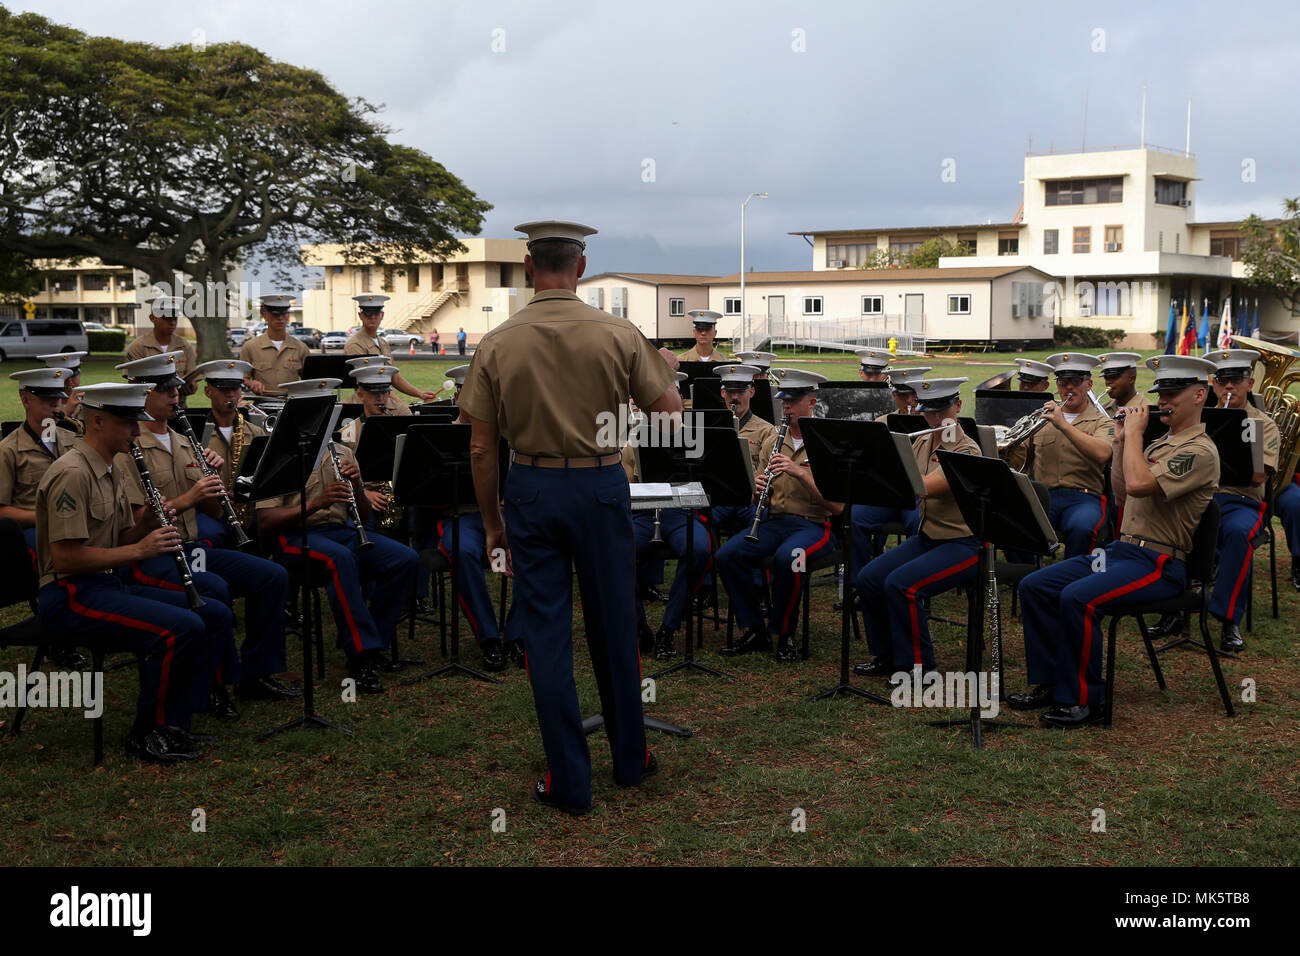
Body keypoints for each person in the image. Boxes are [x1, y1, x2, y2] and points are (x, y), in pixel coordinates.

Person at [459, 219, 680, 815]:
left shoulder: (497, 340)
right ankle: (631, 761)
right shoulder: (618, 331)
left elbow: (481, 449)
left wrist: (493, 523)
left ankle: (568, 781)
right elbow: (671, 416)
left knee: (547, 639)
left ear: (529, 267)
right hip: (602, 483)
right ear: (580, 268)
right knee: (614, 626)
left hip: (530, 488)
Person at [1009, 355, 1219, 728]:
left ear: (1200, 395)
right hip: (1123, 552)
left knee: (1078, 598)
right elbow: (1124, 495)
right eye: (1161, 394)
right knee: (1036, 585)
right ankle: (1049, 681)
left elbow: (1140, 484)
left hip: (1160, 562)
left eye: (1172, 394)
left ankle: (1085, 700)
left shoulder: (1198, 451)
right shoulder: (1160, 446)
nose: (1163, 402)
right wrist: (1122, 442)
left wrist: (1134, 436)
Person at [34, 382, 226, 764]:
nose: (137, 432)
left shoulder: (112, 467)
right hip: (70, 595)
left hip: (105, 583)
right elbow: (66, 559)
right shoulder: (72, 473)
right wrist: (139, 550)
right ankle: (148, 732)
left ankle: (177, 717)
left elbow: (120, 534)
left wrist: (147, 525)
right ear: (99, 420)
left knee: (214, 613)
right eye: (128, 424)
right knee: (180, 628)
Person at [116, 353, 298, 712]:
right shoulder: (127, 447)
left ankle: (257, 673)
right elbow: (137, 521)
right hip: (154, 554)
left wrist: (216, 489)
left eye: (176, 388)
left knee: (272, 576)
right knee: (215, 588)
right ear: (142, 394)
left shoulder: (185, 441)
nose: (176, 395)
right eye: (166, 389)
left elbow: (213, 511)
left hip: (192, 547)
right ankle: (216, 684)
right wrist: (189, 497)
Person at [255, 378, 419, 695]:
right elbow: (265, 520)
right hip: (296, 535)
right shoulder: (275, 452)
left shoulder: (341, 449)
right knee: (341, 559)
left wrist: (357, 487)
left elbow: (366, 517)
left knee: (405, 559)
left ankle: (375, 642)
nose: (324, 418)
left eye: (327, 411)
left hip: (341, 530)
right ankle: (360, 657)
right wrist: (317, 502)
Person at [850, 378, 981, 679]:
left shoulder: (966, 450)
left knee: (901, 584)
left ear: (958, 406)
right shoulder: (922, 441)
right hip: (930, 537)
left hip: (963, 544)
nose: (936, 419)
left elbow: (923, 487)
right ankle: (887, 655)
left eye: (942, 410)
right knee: (870, 578)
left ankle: (919, 667)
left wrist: (887, 470)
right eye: (929, 412)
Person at [1150, 349, 1277, 652]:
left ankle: (1227, 618)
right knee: (1165, 527)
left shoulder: (1264, 424)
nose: (1229, 387)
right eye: (1222, 381)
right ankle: (1172, 608)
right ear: (1211, 386)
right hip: (1195, 498)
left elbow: (1259, 477)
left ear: (1250, 382)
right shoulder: (1194, 418)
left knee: (1236, 534)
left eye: (1236, 380)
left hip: (1240, 501)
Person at [715, 370, 842, 663]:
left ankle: (784, 634)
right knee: (727, 556)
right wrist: (758, 490)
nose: (786, 407)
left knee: (790, 558)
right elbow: (758, 490)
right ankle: (753, 628)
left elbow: (837, 506)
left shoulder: (829, 442)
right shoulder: (774, 439)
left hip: (814, 525)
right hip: (775, 521)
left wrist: (799, 472)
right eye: (784, 400)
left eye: (793, 401)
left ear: (812, 401)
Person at [1025, 353, 1115, 558]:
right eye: (1064, 382)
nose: (1069, 388)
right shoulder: (1041, 419)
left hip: (1084, 497)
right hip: (1044, 496)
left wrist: (1063, 425)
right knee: (1015, 522)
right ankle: (1027, 576)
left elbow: (1103, 453)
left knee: (1082, 528)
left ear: (1089, 384)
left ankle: (1071, 578)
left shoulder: (1103, 422)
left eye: (1076, 382)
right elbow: (1023, 462)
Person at [193, 359, 267, 546]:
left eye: (235, 389)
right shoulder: (195, 435)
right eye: (224, 390)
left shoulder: (256, 432)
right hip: (209, 510)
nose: (231, 395)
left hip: (246, 509)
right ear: (208, 392)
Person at [709, 364, 777, 536]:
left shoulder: (766, 430)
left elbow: (769, 472)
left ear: (751, 393)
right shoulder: (709, 428)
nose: (735, 398)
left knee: (759, 525)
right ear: (723, 393)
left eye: (741, 392)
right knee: (699, 525)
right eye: (730, 392)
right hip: (719, 499)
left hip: (749, 500)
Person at [344, 294, 439, 408]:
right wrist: (402, 406)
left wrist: (420, 394)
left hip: (384, 401)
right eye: (368, 313)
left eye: (376, 313)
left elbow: (395, 378)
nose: (373, 317)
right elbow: (373, 383)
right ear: (360, 315)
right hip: (367, 405)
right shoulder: (355, 344)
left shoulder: (383, 343)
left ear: (382, 315)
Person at [238, 294, 311, 395]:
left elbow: (310, 381)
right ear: (264, 314)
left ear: (288, 315)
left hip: (291, 403)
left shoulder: (300, 348)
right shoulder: (250, 347)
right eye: (275, 314)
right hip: (262, 403)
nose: (280, 318)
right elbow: (241, 379)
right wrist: (251, 383)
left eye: (284, 314)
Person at [125, 297, 198, 396]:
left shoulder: (185, 346)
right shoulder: (138, 347)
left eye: (175, 318)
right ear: (152, 318)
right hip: (148, 407)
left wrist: (191, 387)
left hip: (178, 406)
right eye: (166, 318)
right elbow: (133, 382)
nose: (172, 322)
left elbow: (193, 378)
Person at [38, 350, 88, 432]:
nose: (69, 382)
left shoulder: (88, 400)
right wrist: (66, 412)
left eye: (73, 376)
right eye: (63, 378)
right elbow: (45, 435)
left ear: (80, 374)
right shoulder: (42, 404)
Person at [1097, 352, 1145, 417]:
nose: (1108, 382)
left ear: (1131, 379)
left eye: (1114, 377)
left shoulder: (1146, 409)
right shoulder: (1102, 409)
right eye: (1106, 378)